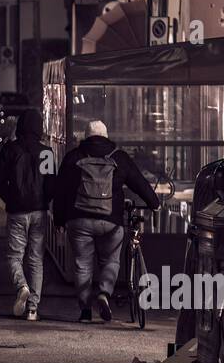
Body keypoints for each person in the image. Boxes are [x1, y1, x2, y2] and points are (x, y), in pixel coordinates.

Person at [51, 119, 160, 322]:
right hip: (111, 221)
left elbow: (61, 191)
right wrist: (154, 203)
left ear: (86, 137)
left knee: (83, 265)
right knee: (111, 260)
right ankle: (104, 293)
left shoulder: (74, 157)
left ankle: (85, 310)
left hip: (79, 220)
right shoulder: (119, 157)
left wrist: (59, 219)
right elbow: (140, 183)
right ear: (106, 136)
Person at [0, 108, 51, 321]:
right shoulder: (47, 152)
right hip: (39, 211)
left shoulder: (10, 149)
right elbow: (51, 183)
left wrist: (11, 199)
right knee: (36, 259)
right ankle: (33, 309)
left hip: (17, 211)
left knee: (14, 256)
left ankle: (22, 286)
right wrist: (46, 200)